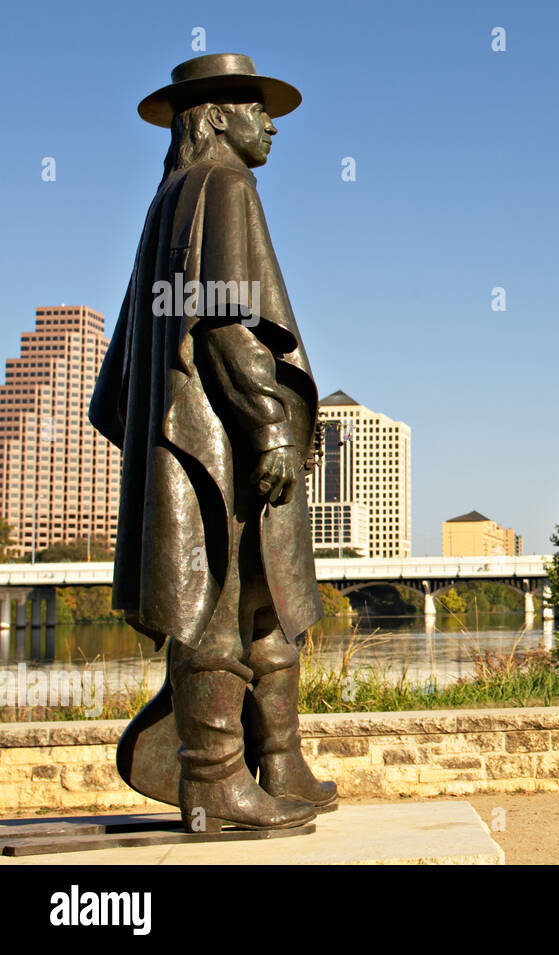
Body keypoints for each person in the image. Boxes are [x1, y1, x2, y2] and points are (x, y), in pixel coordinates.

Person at [90, 54, 335, 830]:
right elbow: (227, 319)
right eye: (258, 110)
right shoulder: (224, 187)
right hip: (220, 438)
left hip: (207, 429)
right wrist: (267, 422)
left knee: (262, 602)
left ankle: (282, 763)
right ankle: (214, 780)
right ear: (219, 116)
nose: (272, 124)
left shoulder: (170, 199)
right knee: (222, 606)